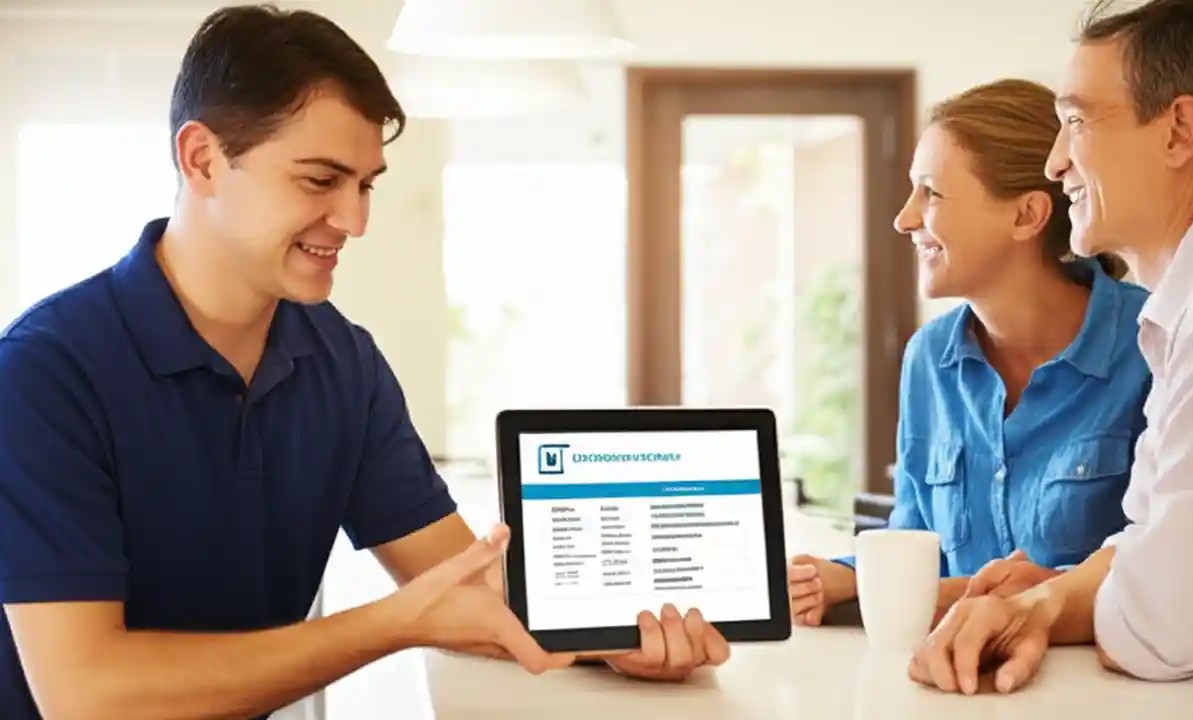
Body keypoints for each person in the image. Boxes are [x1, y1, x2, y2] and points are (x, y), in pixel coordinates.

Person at [0, 6, 726, 719]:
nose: (354, 220)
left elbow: (462, 585)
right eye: (320, 181)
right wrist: (393, 623)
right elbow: (89, 695)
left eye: (366, 184)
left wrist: (616, 638)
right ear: (203, 160)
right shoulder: (45, 373)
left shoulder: (341, 363)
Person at [909, 0, 1193, 695]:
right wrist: (1047, 600)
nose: (1055, 164)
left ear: (1179, 132)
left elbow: (1159, 633)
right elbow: (1146, 544)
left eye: (1076, 122)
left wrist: (1048, 605)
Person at [788, 78, 1151, 627]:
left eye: (931, 193)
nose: (904, 219)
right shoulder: (930, 358)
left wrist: (1003, 596)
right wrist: (841, 576)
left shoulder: (1152, 342)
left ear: (1026, 215)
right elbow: (916, 547)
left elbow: (1168, 568)